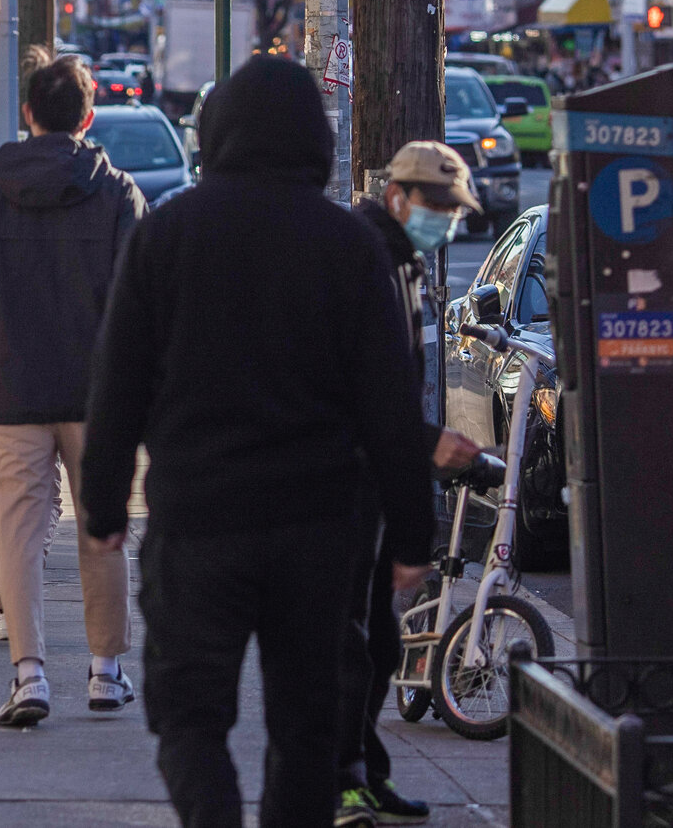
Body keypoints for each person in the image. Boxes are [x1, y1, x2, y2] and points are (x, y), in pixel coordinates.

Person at [79, 56, 435, 828]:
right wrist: (412, 531)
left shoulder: (168, 232)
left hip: (198, 516)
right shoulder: (348, 245)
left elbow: (119, 382)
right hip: (317, 523)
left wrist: (102, 501)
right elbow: (390, 403)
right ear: (316, 138)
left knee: (188, 713)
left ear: (215, 133)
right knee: (306, 720)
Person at [0, 53, 144, 726]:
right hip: (96, 389)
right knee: (100, 525)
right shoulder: (116, 190)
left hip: (11, 384)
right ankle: (105, 670)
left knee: (17, 530)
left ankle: (29, 674)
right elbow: (146, 292)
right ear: (88, 114)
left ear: (26, 113)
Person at [337, 142, 484, 827]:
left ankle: (364, 771)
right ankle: (341, 781)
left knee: (375, 646)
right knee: (349, 646)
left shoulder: (401, 257)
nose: (448, 219)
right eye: (439, 205)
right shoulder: (365, 256)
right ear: (398, 196)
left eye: (455, 209)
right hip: (339, 480)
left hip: (372, 476)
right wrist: (428, 443)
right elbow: (360, 387)